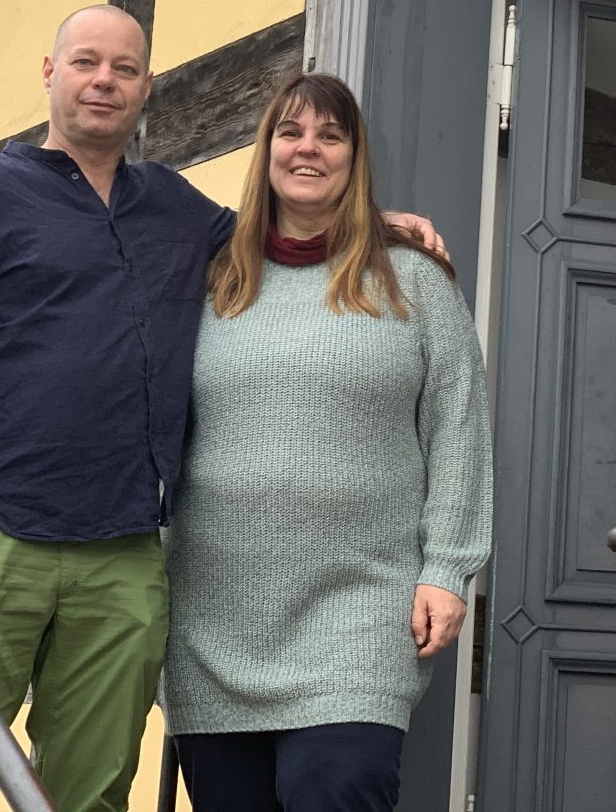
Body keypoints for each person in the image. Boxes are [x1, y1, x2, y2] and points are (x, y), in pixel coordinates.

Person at [0, 6, 441, 812]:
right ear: (50, 72)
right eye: (86, 63)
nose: (104, 81)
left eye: (125, 69)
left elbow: (278, 231)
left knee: (98, 786)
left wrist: (376, 222)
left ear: (146, 87)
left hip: (128, 550)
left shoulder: (175, 208)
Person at [161, 72, 492, 812]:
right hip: (213, 622)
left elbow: (459, 425)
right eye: (291, 132)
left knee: (336, 788)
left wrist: (448, 565)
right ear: (267, 151)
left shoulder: (413, 277)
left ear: (354, 155)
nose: (308, 148)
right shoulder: (212, 281)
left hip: (359, 612)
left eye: (330, 135)